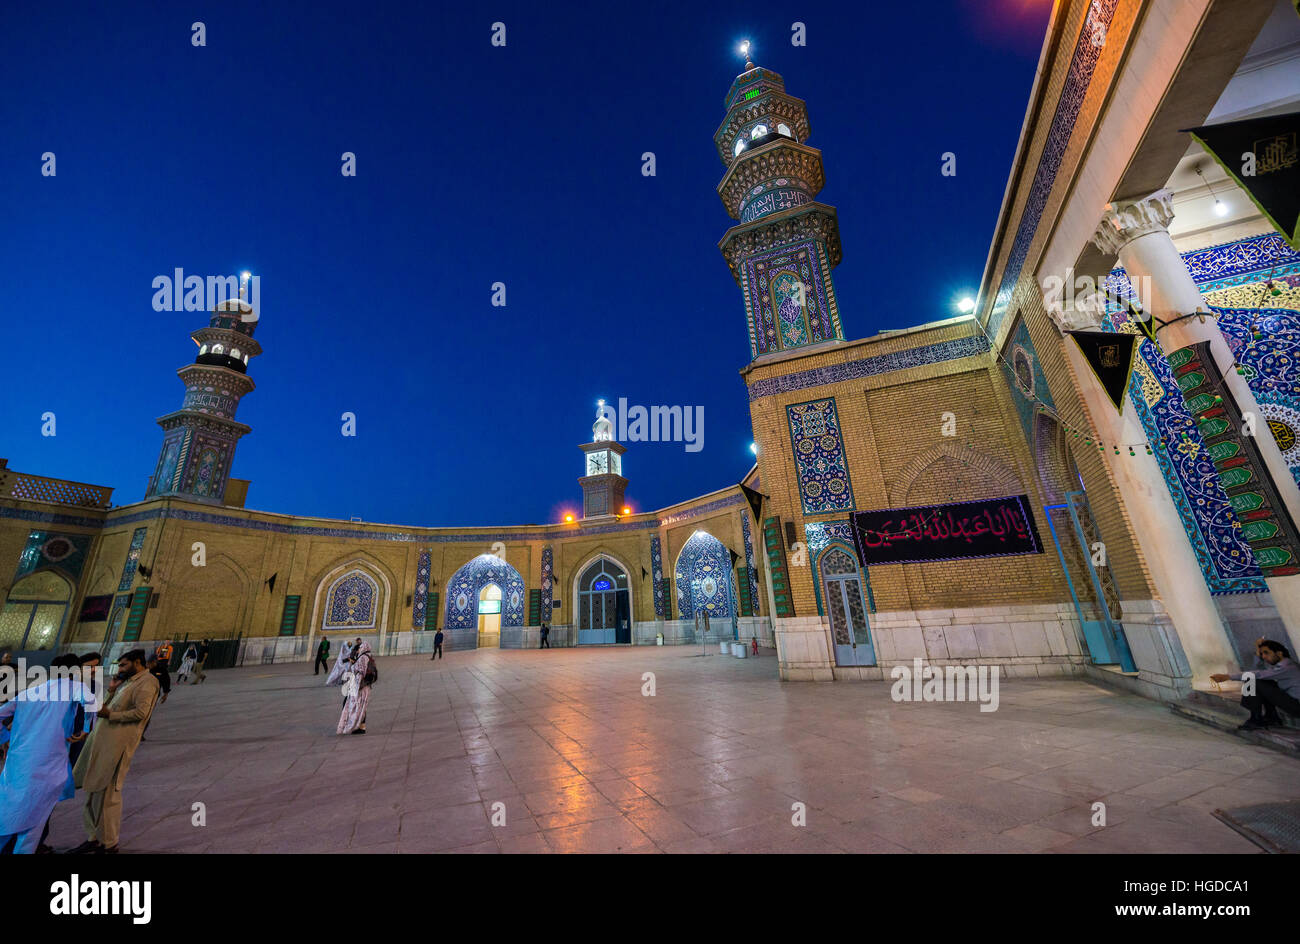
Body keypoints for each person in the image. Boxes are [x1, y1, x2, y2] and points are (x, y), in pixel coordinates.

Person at [0, 654, 95, 854]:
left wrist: (5, 737)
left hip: (18, 763)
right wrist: (86, 727)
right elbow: (91, 702)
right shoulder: (74, 687)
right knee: (36, 819)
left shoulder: (30, 692)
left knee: (8, 812)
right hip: (48, 764)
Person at [68, 649, 161, 854]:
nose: (119, 669)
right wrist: (111, 691)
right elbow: (110, 708)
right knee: (93, 791)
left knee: (108, 796)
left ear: (138, 662)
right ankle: (94, 837)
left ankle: (109, 843)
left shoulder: (148, 683)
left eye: (123, 665)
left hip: (116, 746)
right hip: (101, 743)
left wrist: (109, 714)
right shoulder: (128, 681)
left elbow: (141, 713)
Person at [1212, 638, 1300, 730]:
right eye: (1262, 654)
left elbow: (1258, 674)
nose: (1264, 657)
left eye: (1267, 653)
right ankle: (1271, 716)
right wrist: (1258, 655)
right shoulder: (1284, 665)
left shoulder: (1287, 667)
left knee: (1252, 680)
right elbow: (1258, 672)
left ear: (1279, 653)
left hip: (1297, 706)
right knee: (1261, 681)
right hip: (1293, 702)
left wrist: (1228, 677)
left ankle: (1256, 719)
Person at [337, 642, 374, 735]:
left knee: (351, 704)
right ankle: (360, 726)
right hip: (364, 685)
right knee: (361, 706)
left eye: (360, 648)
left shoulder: (362, 658)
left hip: (359, 686)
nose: (358, 650)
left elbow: (361, 671)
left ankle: (354, 725)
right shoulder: (368, 656)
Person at [140, 654, 171, 742]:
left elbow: (166, 682)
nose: (148, 665)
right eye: (147, 663)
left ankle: (141, 733)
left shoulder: (162, 670)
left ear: (155, 662)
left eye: (150, 663)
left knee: (147, 715)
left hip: (153, 696)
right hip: (140, 694)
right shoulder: (143, 669)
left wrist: (165, 694)